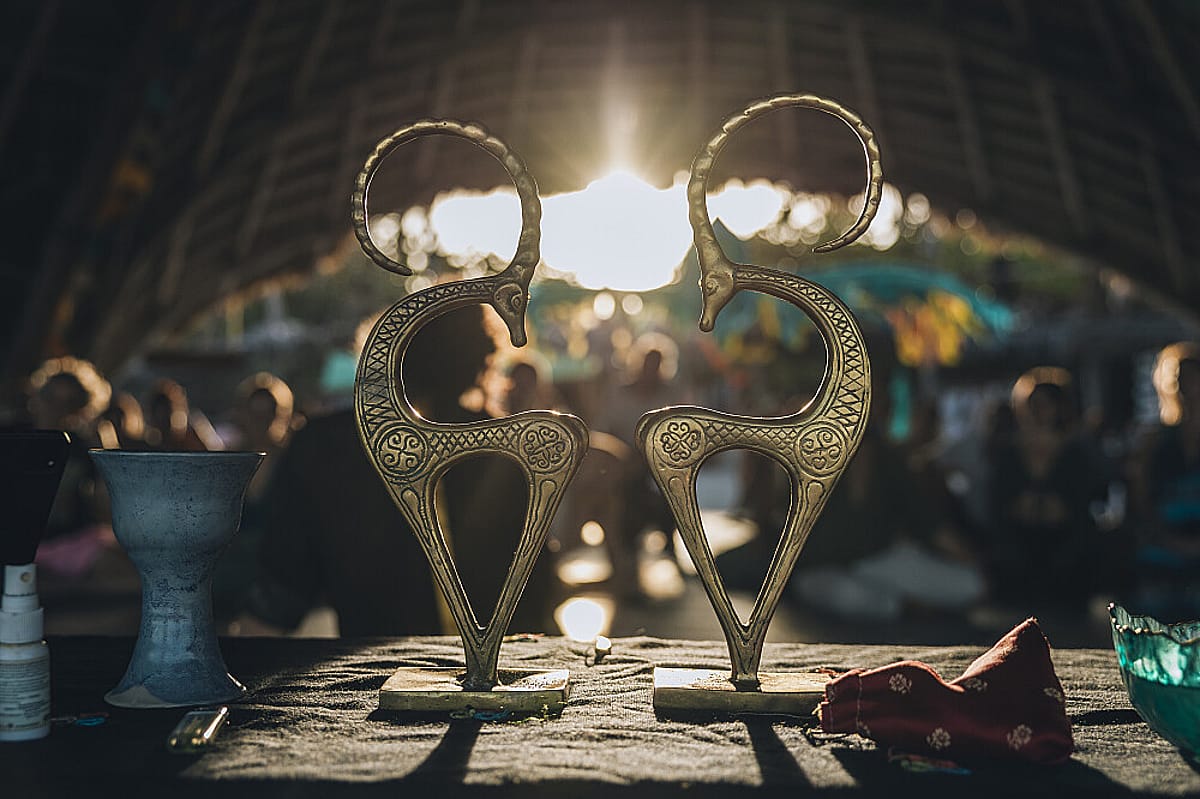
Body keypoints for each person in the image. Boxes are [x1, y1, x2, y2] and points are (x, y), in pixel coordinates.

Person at [241, 305, 552, 636]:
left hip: (374, 677)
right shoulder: (505, 450)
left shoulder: (323, 444)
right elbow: (536, 591)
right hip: (497, 673)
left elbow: (279, 595)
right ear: (483, 359)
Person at [984, 367, 1105, 607]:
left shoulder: (1075, 452)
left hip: (1065, 541)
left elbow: (1087, 498)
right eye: (1033, 405)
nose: (1039, 412)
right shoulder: (1009, 453)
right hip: (1018, 540)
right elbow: (997, 502)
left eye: (1045, 405)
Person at [1129, 343, 1200, 619]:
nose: (1190, 390)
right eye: (1182, 381)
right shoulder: (1155, 443)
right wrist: (1167, 540)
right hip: (1163, 551)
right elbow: (1141, 503)